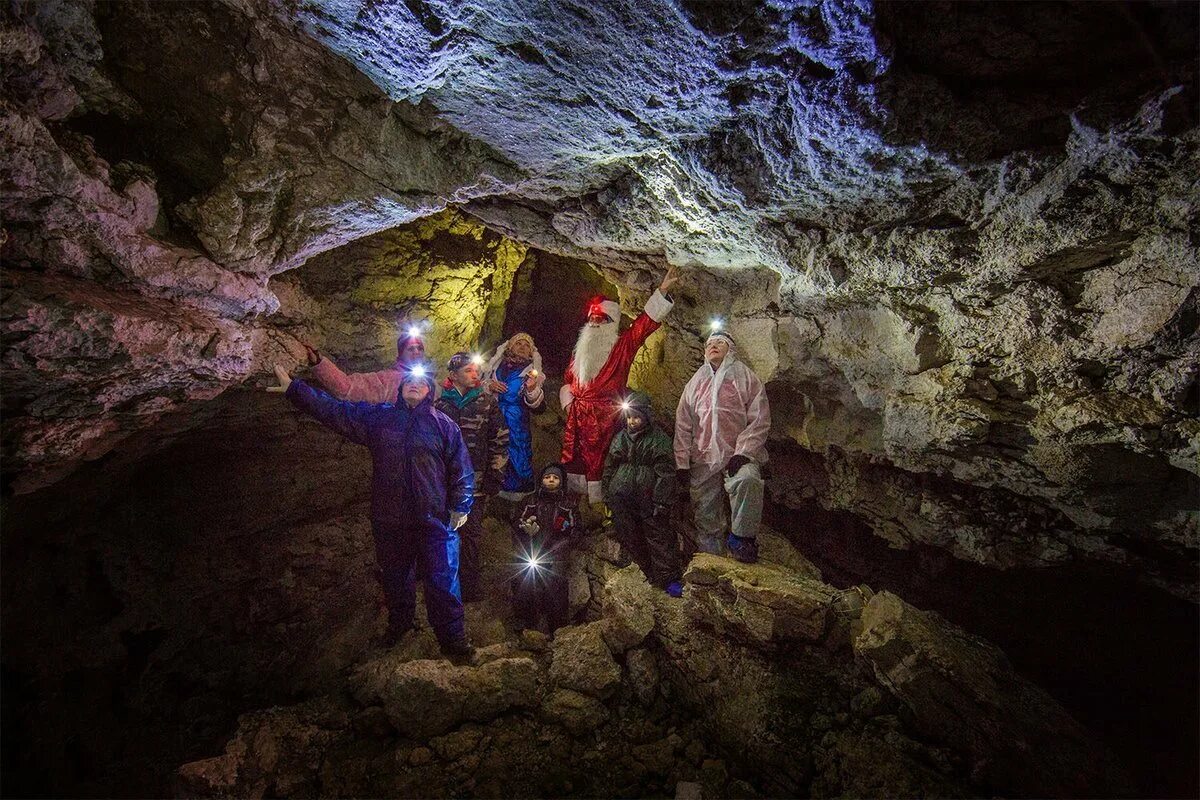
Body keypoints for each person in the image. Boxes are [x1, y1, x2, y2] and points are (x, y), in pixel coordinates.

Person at [269, 361, 476, 660]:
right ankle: (400, 629)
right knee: (395, 580)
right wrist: (294, 389)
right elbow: (336, 411)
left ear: (430, 389)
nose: (413, 385)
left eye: (419, 382)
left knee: (443, 581)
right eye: (407, 382)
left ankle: (454, 642)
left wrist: (461, 506)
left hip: (434, 519)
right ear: (400, 390)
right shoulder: (381, 419)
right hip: (391, 519)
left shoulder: (443, 425)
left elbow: (462, 469)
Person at [560, 266, 679, 504]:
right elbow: (568, 382)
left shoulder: (621, 346)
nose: (594, 323)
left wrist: (662, 291)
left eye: (601, 319)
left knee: (608, 460)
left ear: (611, 323)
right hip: (579, 415)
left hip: (608, 417)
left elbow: (642, 327)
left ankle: (607, 508)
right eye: (592, 319)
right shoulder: (580, 352)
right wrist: (568, 404)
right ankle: (576, 508)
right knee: (577, 460)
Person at [674, 329, 770, 563]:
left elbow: (759, 418)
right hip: (703, 456)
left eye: (720, 342)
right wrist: (681, 462)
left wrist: (744, 452)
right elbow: (683, 424)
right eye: (709, 344)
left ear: (731, 348)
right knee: (705, 508)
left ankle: (741, 539)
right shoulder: (696, 382)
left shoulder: (745, 378)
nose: (713, 346)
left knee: (747, 481)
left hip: (735, 455)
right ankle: (711, 557)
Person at [435, 352, 510, 602]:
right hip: (444, 484)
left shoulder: (486, 403)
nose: (474, 374)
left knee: (472, 535)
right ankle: (444, 585)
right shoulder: (439, 405)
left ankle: (469, 588)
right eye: (467, 370)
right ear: (453, 374)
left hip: (475, 485)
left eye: (475, 370)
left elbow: (499, 440)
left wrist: (495, 475)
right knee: (444, 533)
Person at [602, 392, 681, 596]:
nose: (632, 421)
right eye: (629, 417)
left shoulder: (658, 439)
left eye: (636, 417)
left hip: (648, 498)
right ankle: (645, 573)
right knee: (630, 535)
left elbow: (666, 471)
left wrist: (662, 500)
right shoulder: (621, 438)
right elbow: (610, 467)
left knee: (658, 536)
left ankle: (668, 578)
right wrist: (608, 496)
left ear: (646, 416)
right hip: (622, 499)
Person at [511, 463, 579, 634]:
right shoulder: (531, 501)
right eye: (547, 477)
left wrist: (565, 532)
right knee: (524, 582)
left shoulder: (568, 504)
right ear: (541, 480)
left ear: (561, 481)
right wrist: (526, 528)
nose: (551, 480)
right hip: (533, 550)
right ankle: (526, 621)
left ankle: (557, 626)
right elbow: (517, 522)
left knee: (555, 586)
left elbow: (577, 528)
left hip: (555, 553)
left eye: (555, 478)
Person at [483, 333, 546, 500]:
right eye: (519, 343)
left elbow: (537, 403)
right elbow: (480, 386)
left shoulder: (531, 372)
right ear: (510, 346)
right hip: (494, 416)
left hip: (516, 420)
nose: (523, 347)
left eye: (527, 345)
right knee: (493, 449)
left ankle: (517, 491)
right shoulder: (496, 367)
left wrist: (531, 389)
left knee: (517, 451)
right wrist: (490, 385)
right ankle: (493, 487)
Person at [301, 325, 427, 404]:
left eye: (419, 348)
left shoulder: (431, 384)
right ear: (400, 354)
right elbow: (348, 388)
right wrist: (319, 362)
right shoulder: (388, 380)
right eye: (410, 349)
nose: (416, 352)